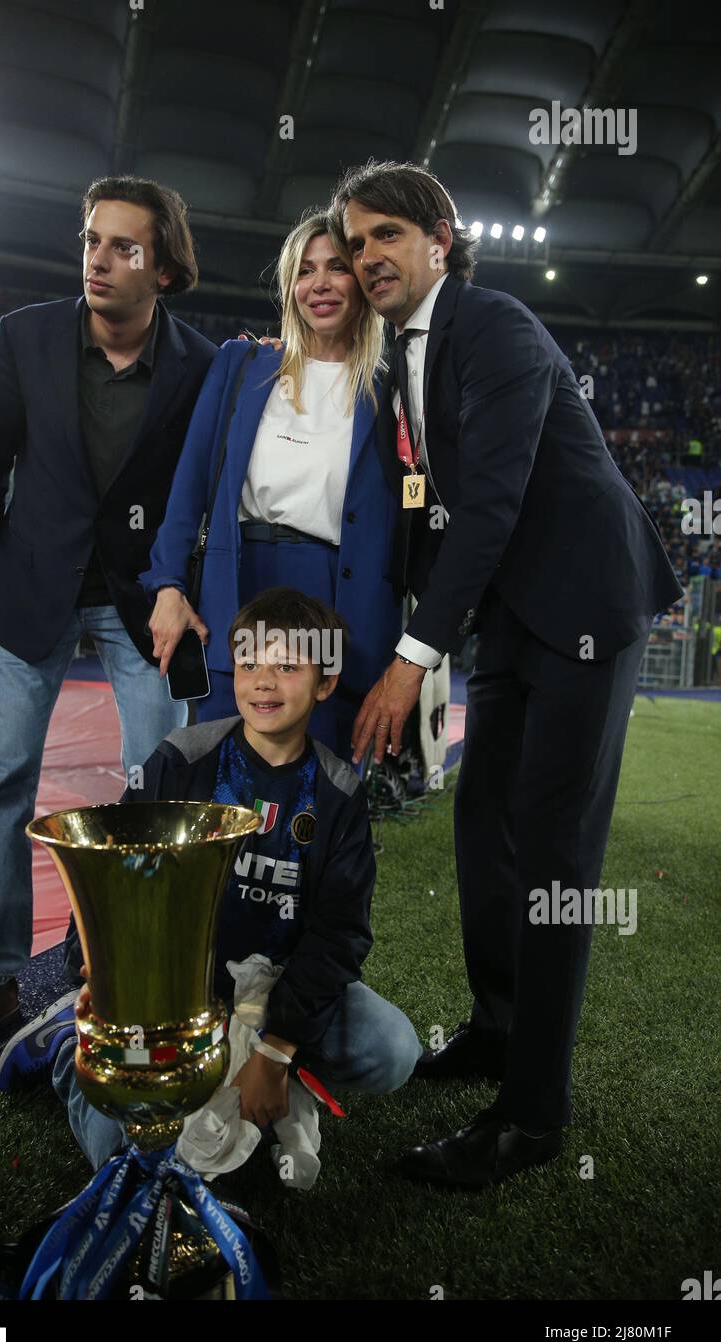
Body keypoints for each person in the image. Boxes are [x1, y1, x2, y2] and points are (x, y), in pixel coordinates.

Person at [331, 159, 684, 1187]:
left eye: (383, 235)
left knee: (553, 858)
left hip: (582, 606)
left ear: (438, 237)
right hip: (509, 619)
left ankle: (532, 1116)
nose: (365, 258)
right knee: (481, 820)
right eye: (353, 244)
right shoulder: (402, 352)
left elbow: (485, 506)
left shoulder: (491, 323)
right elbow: (430, 514)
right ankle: (496, 1026)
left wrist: (408, 658)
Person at [0, 176, 218, 1072]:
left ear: (163, 269)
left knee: (158, 796)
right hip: (27, 590)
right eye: (92, 239)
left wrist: (182, 586)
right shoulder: (23, 336)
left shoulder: (200, 365)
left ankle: (129, 973)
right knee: (0, 788)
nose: (99, 257)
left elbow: (197, 493)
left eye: (125, 246)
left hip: (143, 602)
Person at [0, 588, 422, 1172]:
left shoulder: (338, 795)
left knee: (393, 1049)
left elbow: (340, 935)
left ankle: (256, 1075)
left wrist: (274, 1051)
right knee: (131, 1154)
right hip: (170, 991)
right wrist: (95, 970)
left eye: (287, 666)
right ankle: (67, 1043)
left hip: (271, 993)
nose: (263, 682)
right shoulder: (183, 759)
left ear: (325, 684)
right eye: (249, 664)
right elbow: (109, 874)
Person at [142, 210, 403, 763]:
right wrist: (169, 585)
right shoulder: (241, 363)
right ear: (290, 285)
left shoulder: (392, 391)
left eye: (337, 266)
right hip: (234, 590)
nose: (321, 283)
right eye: (305, 270)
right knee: (217, 793)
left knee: (313, 793)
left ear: (361, 279)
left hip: (333, 604)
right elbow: (189, 485)